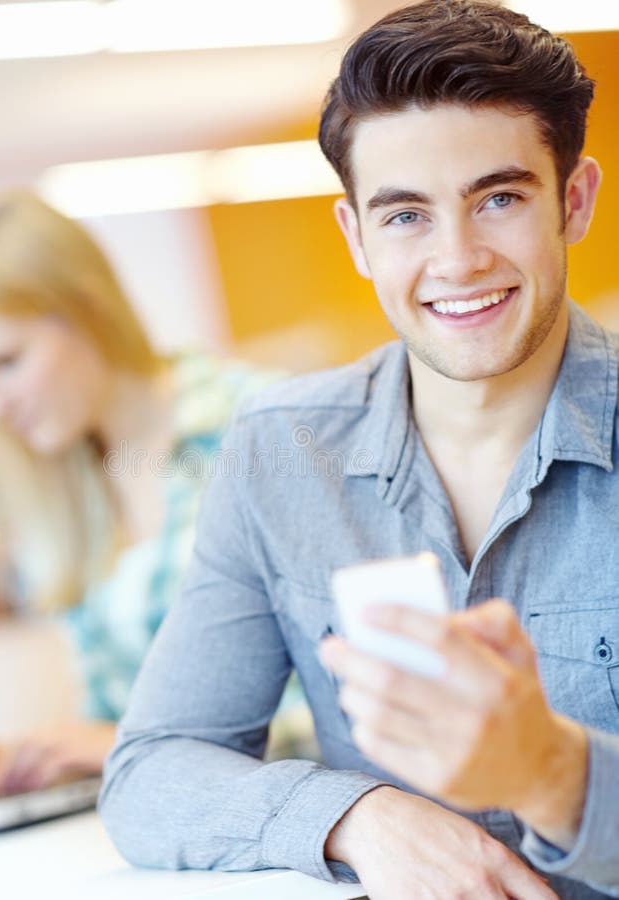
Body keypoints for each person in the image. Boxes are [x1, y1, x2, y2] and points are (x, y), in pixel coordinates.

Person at [98, 2, 619, 897]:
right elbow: (153, 769)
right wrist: (356, 815)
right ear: (355, 237)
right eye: (406, 216)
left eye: (497, 199)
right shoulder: (277, 453)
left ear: (572, 201)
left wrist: (552, 773)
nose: (456, 260)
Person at [0, 188, 281, 797]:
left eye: (5, 361)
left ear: (88, 312)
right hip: (161, 828)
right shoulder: (69, 485)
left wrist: (128, 748)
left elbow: (340, 708)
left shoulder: (264, 426)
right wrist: (36, 759)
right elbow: (115, 716)